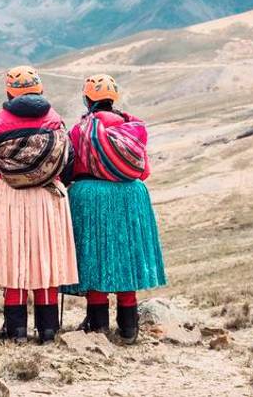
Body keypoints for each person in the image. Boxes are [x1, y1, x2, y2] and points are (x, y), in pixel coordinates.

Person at [0, 66, 79, 344]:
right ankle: (48, 331)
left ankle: (15, 331)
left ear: (9, 92)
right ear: (39, 89)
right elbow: (68, 163)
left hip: (5, 195)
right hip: (45, 197)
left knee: (12, 261)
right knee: (46, 262)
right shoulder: (56, 121)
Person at [61, 74, 166, 344]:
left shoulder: (79, 131)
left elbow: (69, 168)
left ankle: (97, 326)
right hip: (130, 195)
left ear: (87, 100)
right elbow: (144, 171)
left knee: (94, 257)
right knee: (126, 256)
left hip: (90, 195)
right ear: (114, 99)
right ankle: (129, 328)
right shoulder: (133, 129)